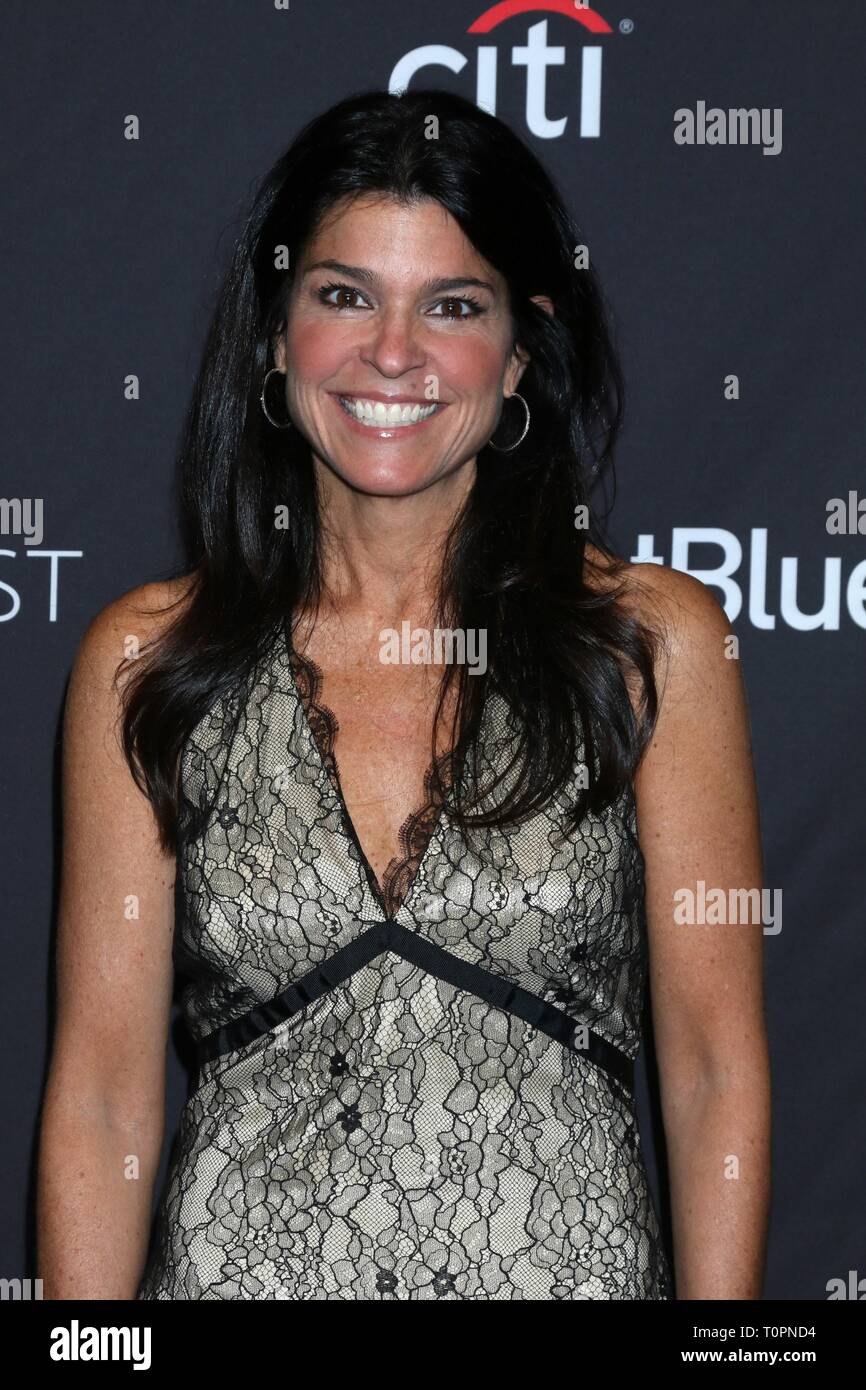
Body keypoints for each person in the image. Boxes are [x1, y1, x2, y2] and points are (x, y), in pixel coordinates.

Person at [37, 88, 770, 1300]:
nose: (392, 353)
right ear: (276, 334)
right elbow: (105, 1098)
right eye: (342, 296)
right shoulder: (146, 659)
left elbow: (710, 1067)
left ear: (522, 347)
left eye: (452, 306)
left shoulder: (649, 643)